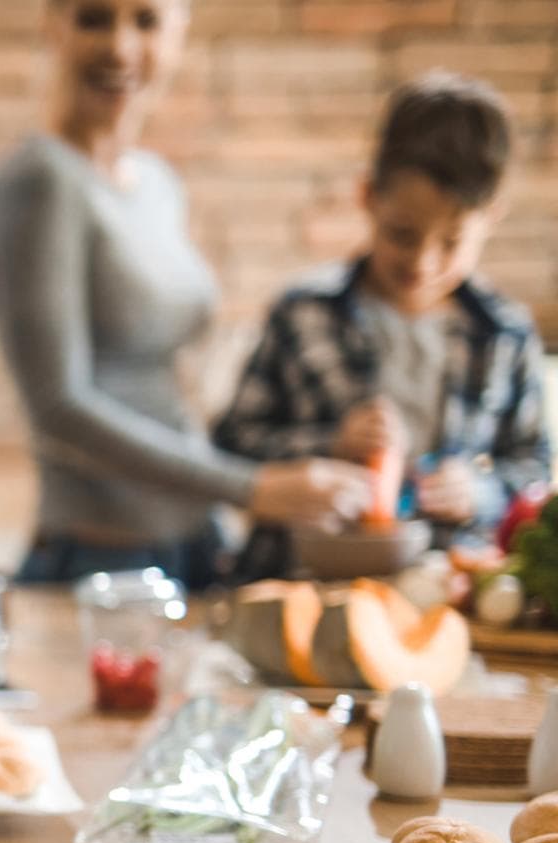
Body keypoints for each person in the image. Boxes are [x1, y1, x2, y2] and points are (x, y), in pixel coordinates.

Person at [0, 0, 372, 590]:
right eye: (93, 18)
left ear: (179, 34)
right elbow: (58, 409)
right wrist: (255, 488)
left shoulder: (156, 183)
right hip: (101, 561)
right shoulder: (42, 182)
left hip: (197, 543)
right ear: (52, 25)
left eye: (146, 21)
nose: (120, 47)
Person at [213, 71, 551, 578]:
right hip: (303, 583)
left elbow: (534, 471)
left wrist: (480, 492)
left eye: (452, 242)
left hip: (439, 592)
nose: (422, 261)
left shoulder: (507, 335)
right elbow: (230, 447)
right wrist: (329, 443)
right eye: (402, 234)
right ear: (368, 195)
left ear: (491, 217)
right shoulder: (303, 313)